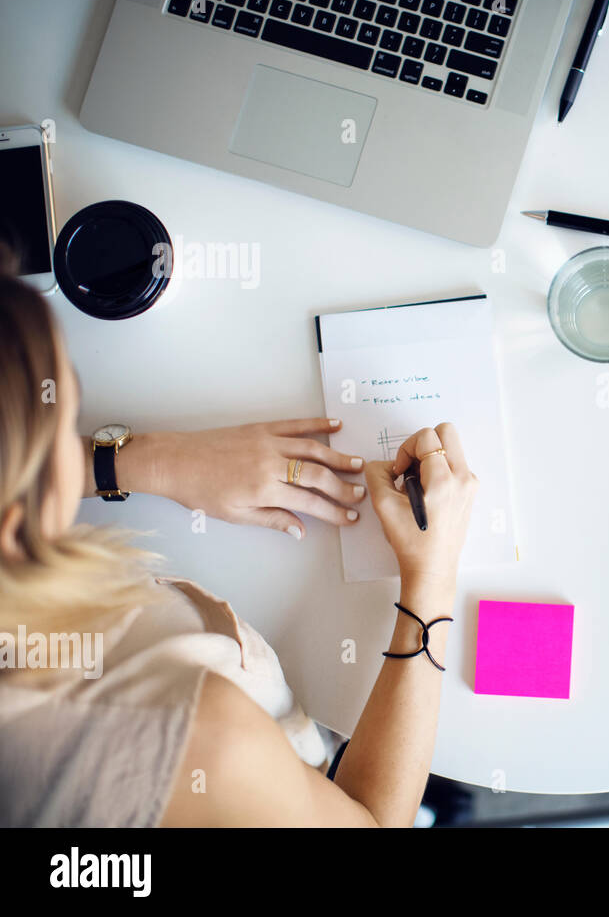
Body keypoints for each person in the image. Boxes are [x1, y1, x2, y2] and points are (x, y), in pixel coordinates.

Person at [0, 269, 477, 826]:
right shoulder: (192, 739)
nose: (78, 438)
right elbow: (371, 820)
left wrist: (145, 460)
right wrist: (432, 576)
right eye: (63, 426)